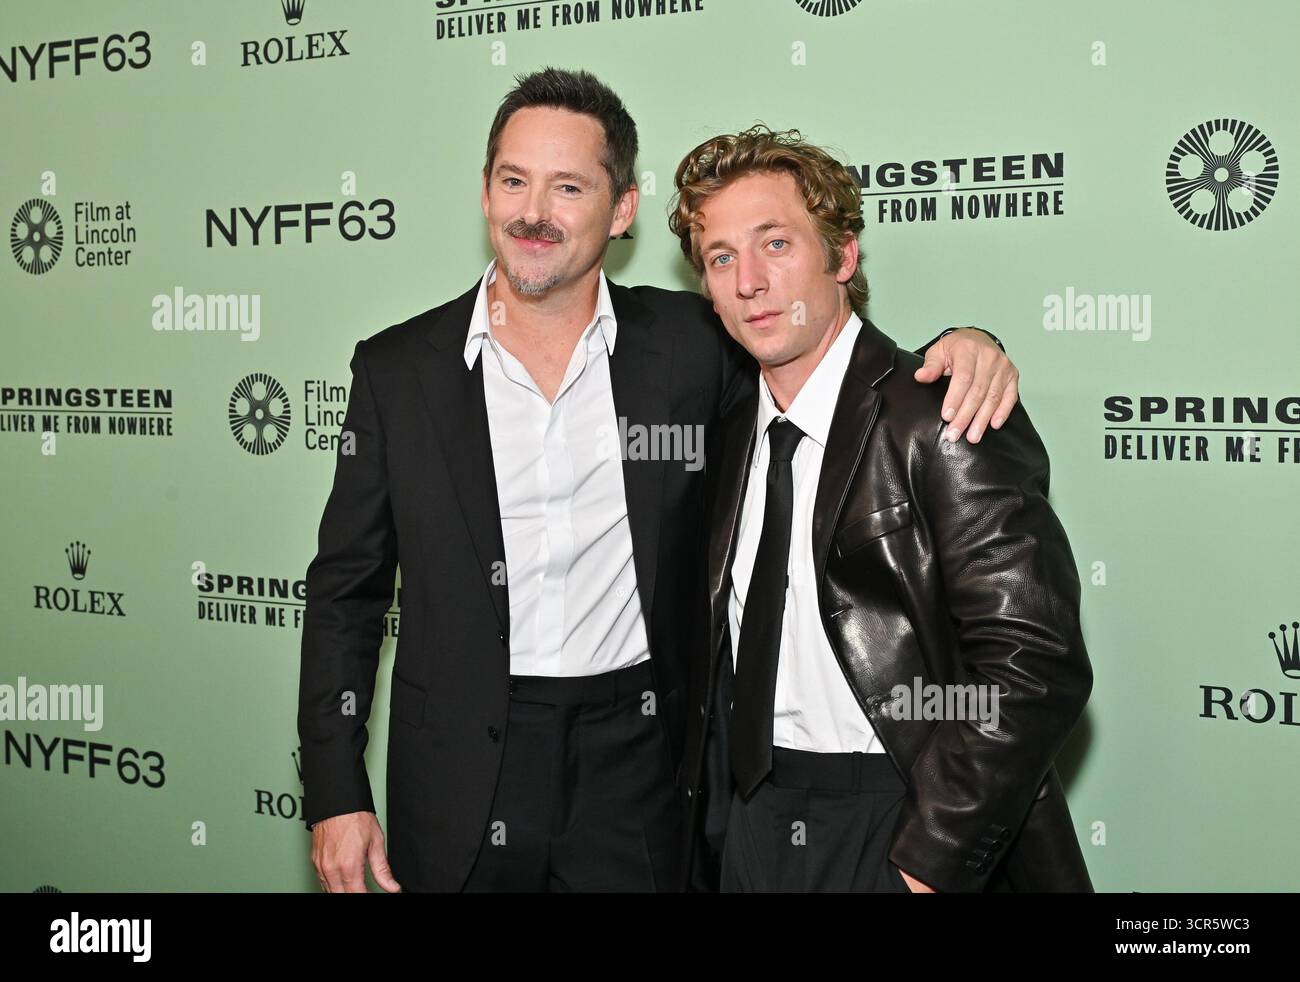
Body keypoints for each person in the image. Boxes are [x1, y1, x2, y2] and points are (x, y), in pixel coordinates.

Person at [298, 68, 1019, 893]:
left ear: (621, 210)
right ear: (486, 192)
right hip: (458, 773)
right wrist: (335, 795)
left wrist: (968, 342)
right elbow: (344, 595)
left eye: (569, 186)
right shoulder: (399, 372)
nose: (535, 211)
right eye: (513, 180)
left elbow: (822, 348)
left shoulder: (691, 345)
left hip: (638, 771)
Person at [671, 125, 1093, 892]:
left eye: (776, 244)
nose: (749, 281)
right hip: (752, 823)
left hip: (902, 813)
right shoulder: (728, 431)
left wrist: (929, 860)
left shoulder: (942, 412)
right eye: (721, 257)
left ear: (843, 254)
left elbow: (1035, 662)